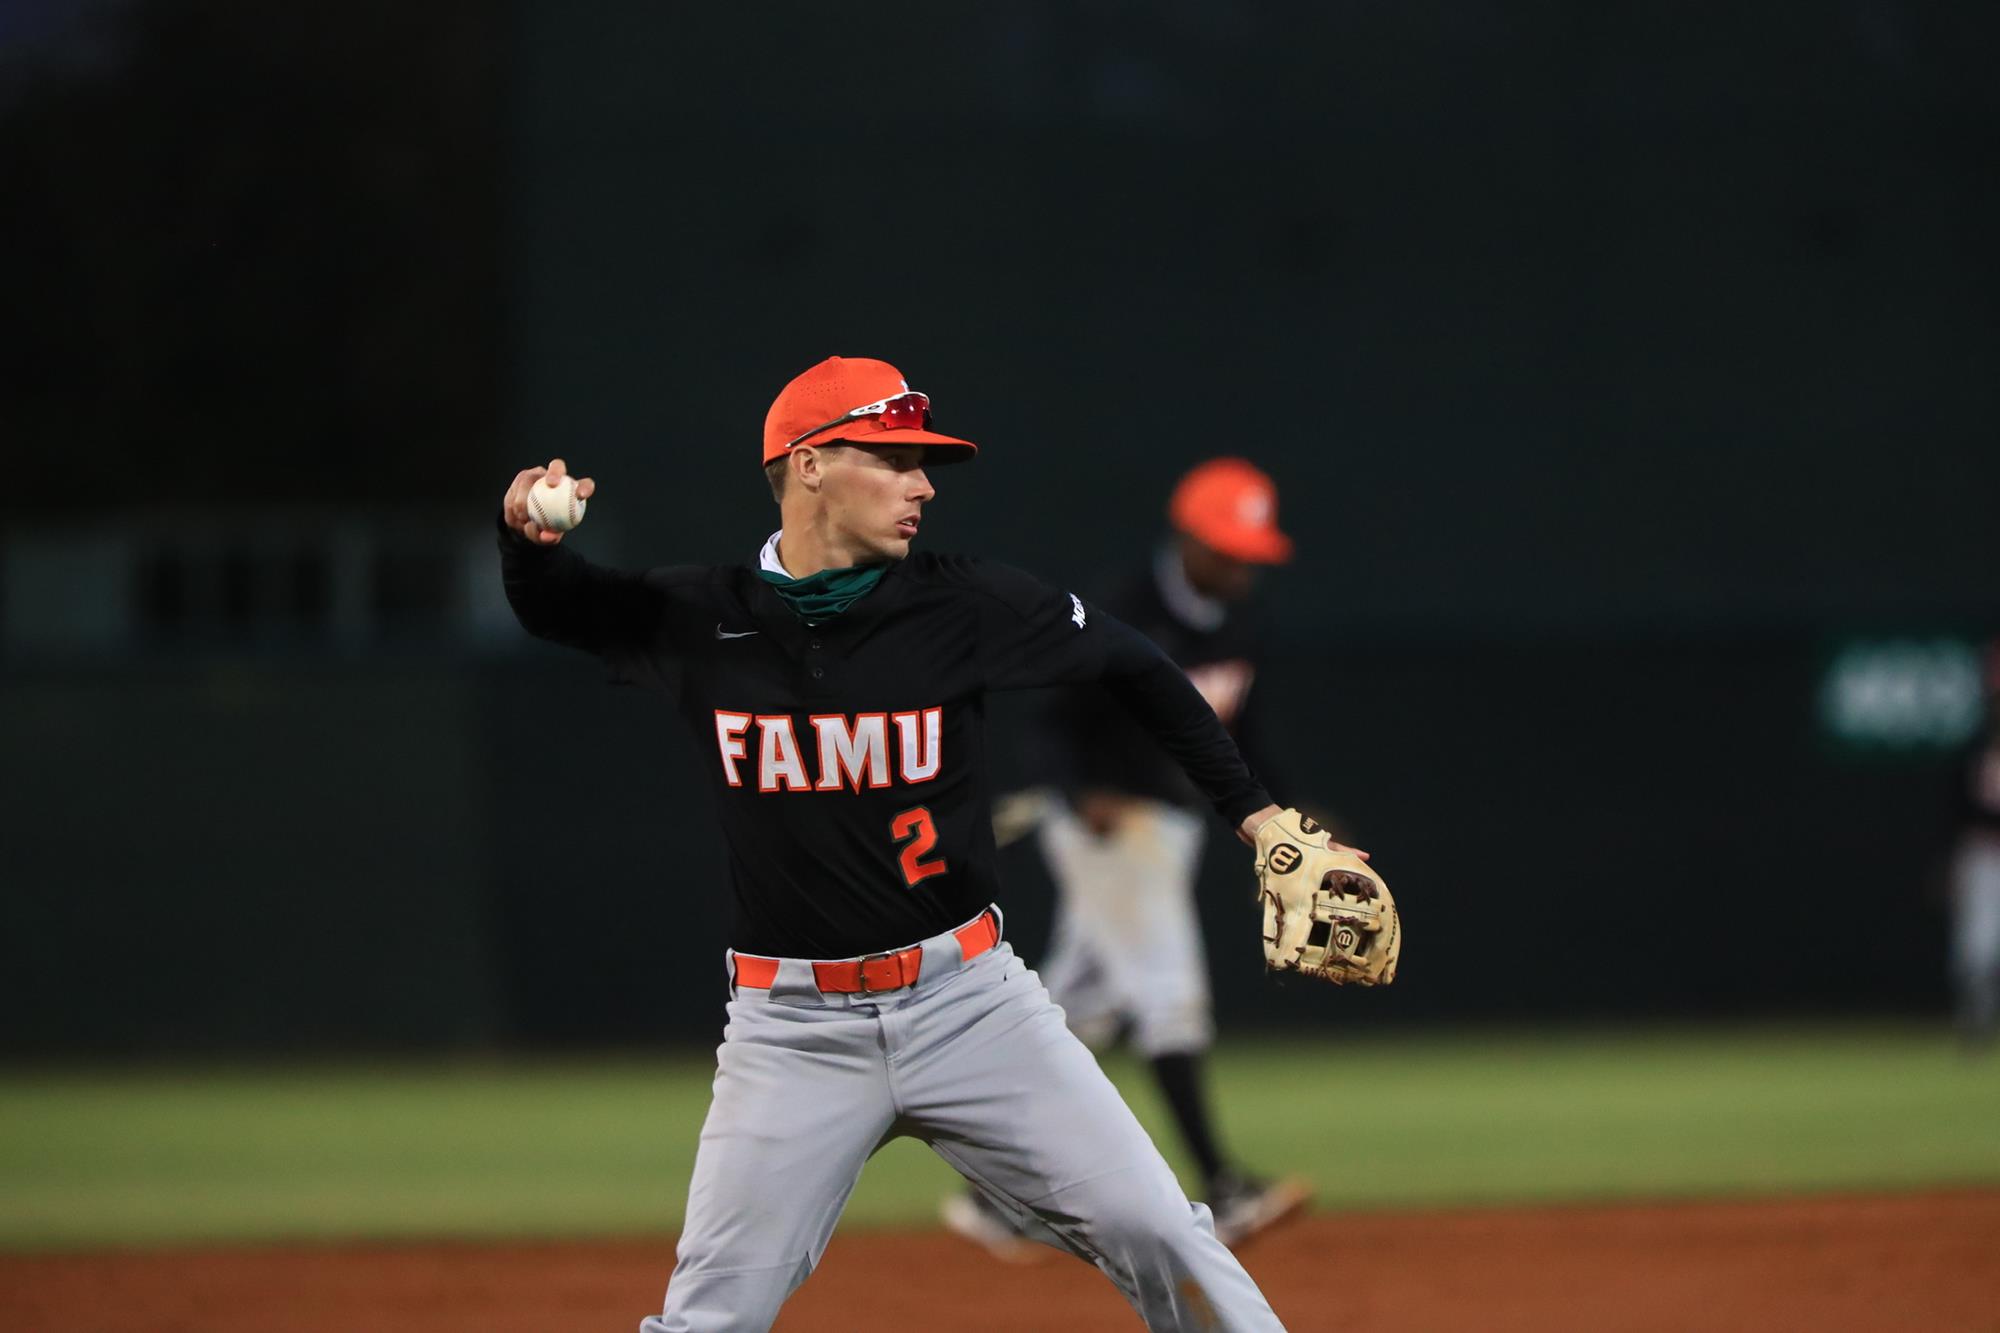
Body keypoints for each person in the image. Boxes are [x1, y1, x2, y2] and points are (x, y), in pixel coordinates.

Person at [497, 356, 1345, 1332]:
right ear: (810, 464)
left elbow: (1138, 666)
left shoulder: (961, 604)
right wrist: (525, 541)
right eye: (895, 460)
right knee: (709, 1316)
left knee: (1161, 1231)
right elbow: (559, 604)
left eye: (922, 465)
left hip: (970, 1004)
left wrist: (1260, 818)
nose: (923, 486)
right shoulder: (701, 617)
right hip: (792, 1031)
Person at [942, 459, 1310, 1261]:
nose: (1243, 566)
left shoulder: (1241, 624)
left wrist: (1289, 821)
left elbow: (1238, 736)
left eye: (1251, 551)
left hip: (1171, 821)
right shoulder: (1124, 608)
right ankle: (1223, 1184)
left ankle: (993, 1196)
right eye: (1230, 549)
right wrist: (1080, 790)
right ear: (1190, 539)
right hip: (1107, 825)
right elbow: (1050, 717)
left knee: (1082, 1011)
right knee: (1167, 991)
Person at [1951, 655, 2000, 1048]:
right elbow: (1957, 805)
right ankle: (1977, 1019)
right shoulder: (1975, 739)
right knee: (1978, 944)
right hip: (1983, 854)